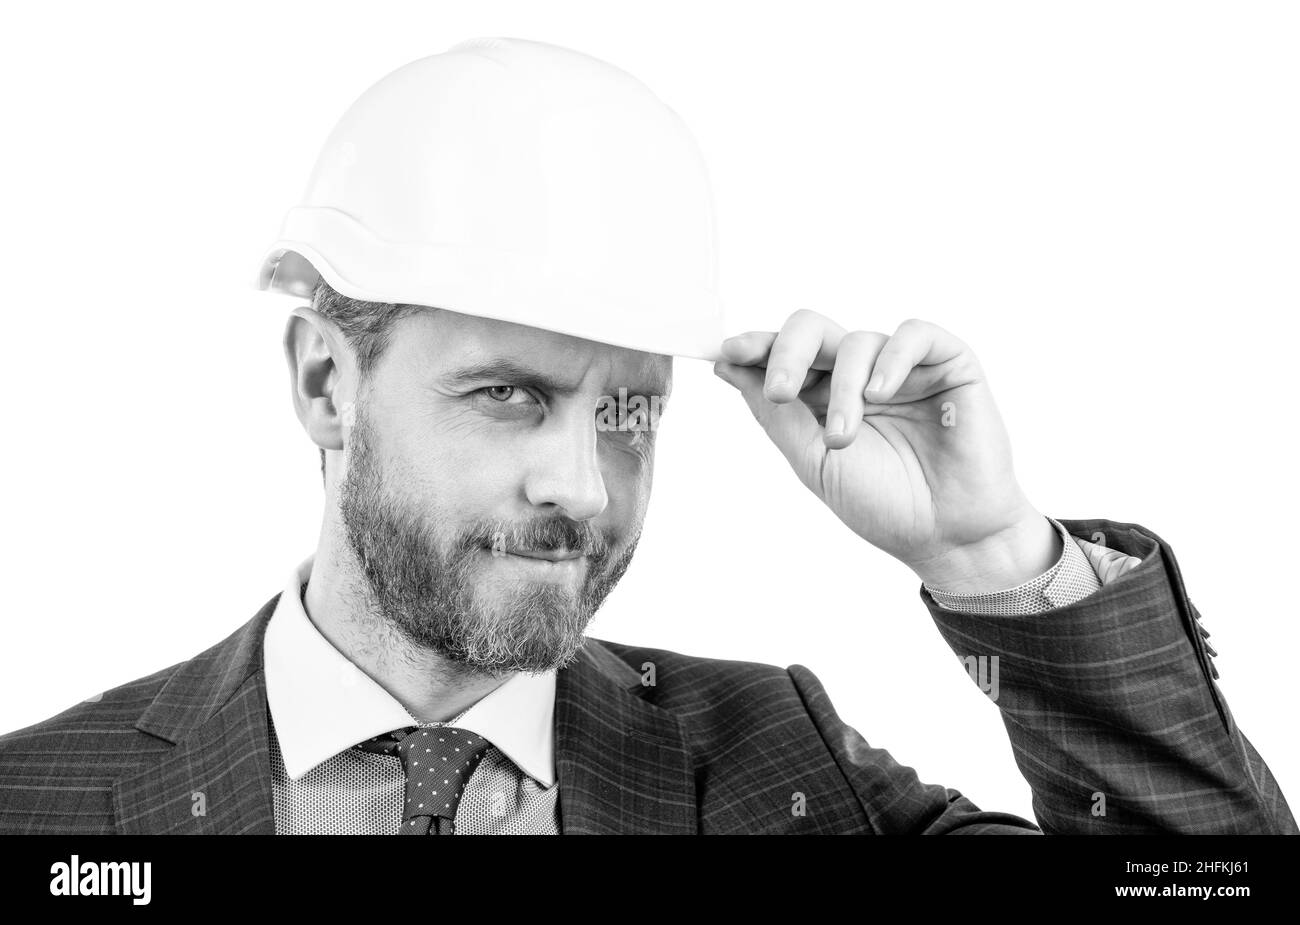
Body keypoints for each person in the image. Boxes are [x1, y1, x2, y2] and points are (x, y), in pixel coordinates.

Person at [0, 37, 1293, 835]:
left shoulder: (777, 759)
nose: (583, 484)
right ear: (329, 384)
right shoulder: (38, 802)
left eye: (631, 407)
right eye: (509, 393)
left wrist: (994, 557)